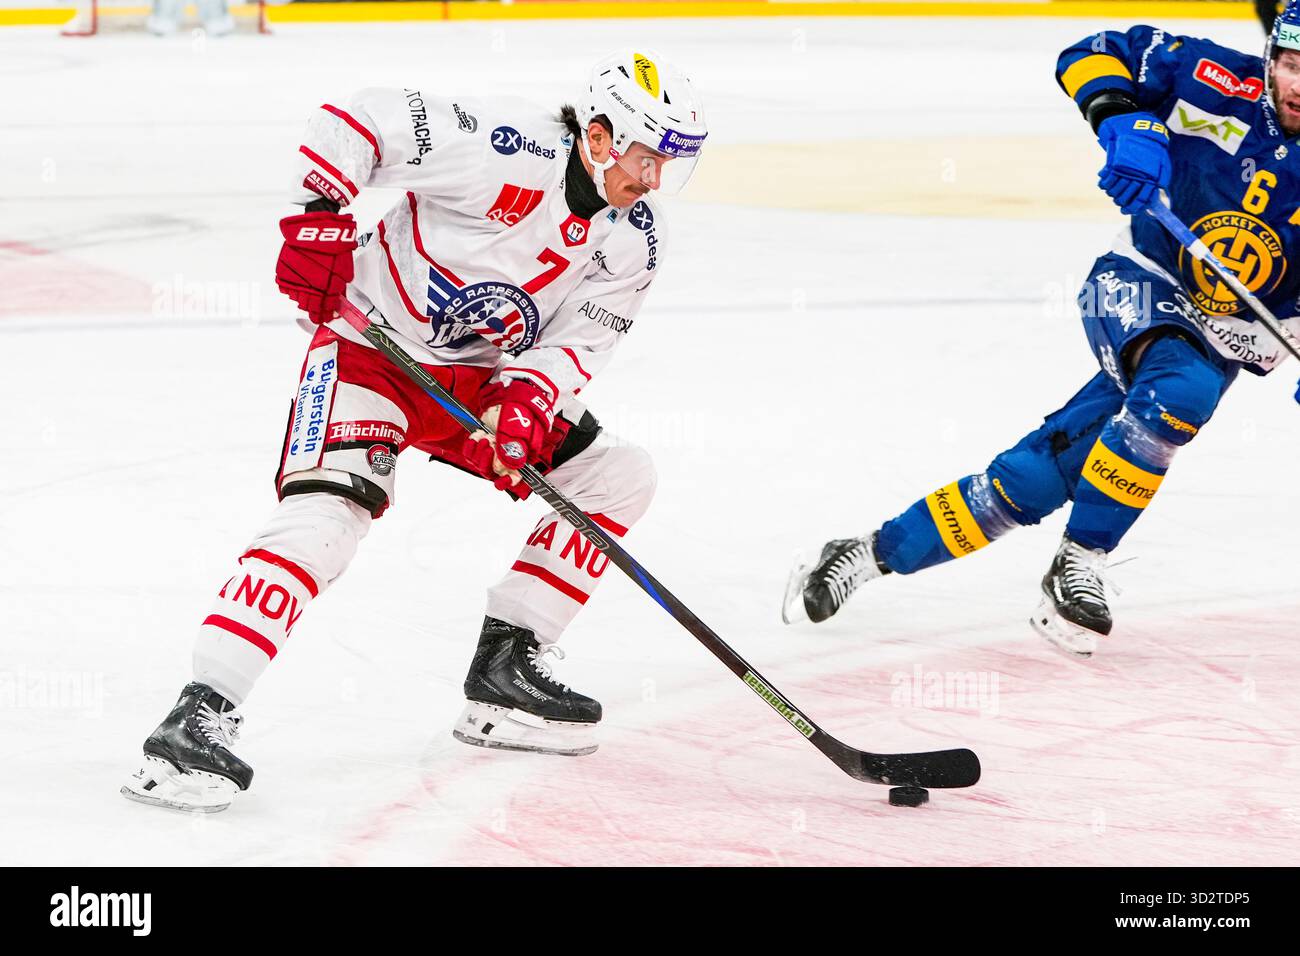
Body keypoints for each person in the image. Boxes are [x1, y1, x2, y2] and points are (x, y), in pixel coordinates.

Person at [122, 51, 707, 812]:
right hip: (372, 353)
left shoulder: (634, 239)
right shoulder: (506, 148)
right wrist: (319, 222)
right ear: (598, 136)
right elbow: (358, 119)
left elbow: (580, 341)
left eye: (669, 166)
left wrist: (527, 402)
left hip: (481, 382)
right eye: (645, 158)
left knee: (618, 476)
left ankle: (507, 670)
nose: (653, 180)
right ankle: (196, 716)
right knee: (331, 514)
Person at [784, 10, 1300, 660]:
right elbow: (1091, 51)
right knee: (1182, 388)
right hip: (1141, 279)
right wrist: (1118, 115)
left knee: (1034, 480)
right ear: (1271, 56)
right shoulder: (1209, 75)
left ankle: (871, 551)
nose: (1297, 84)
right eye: (1291, 64)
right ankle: (1080, 560)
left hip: (1229, 334)